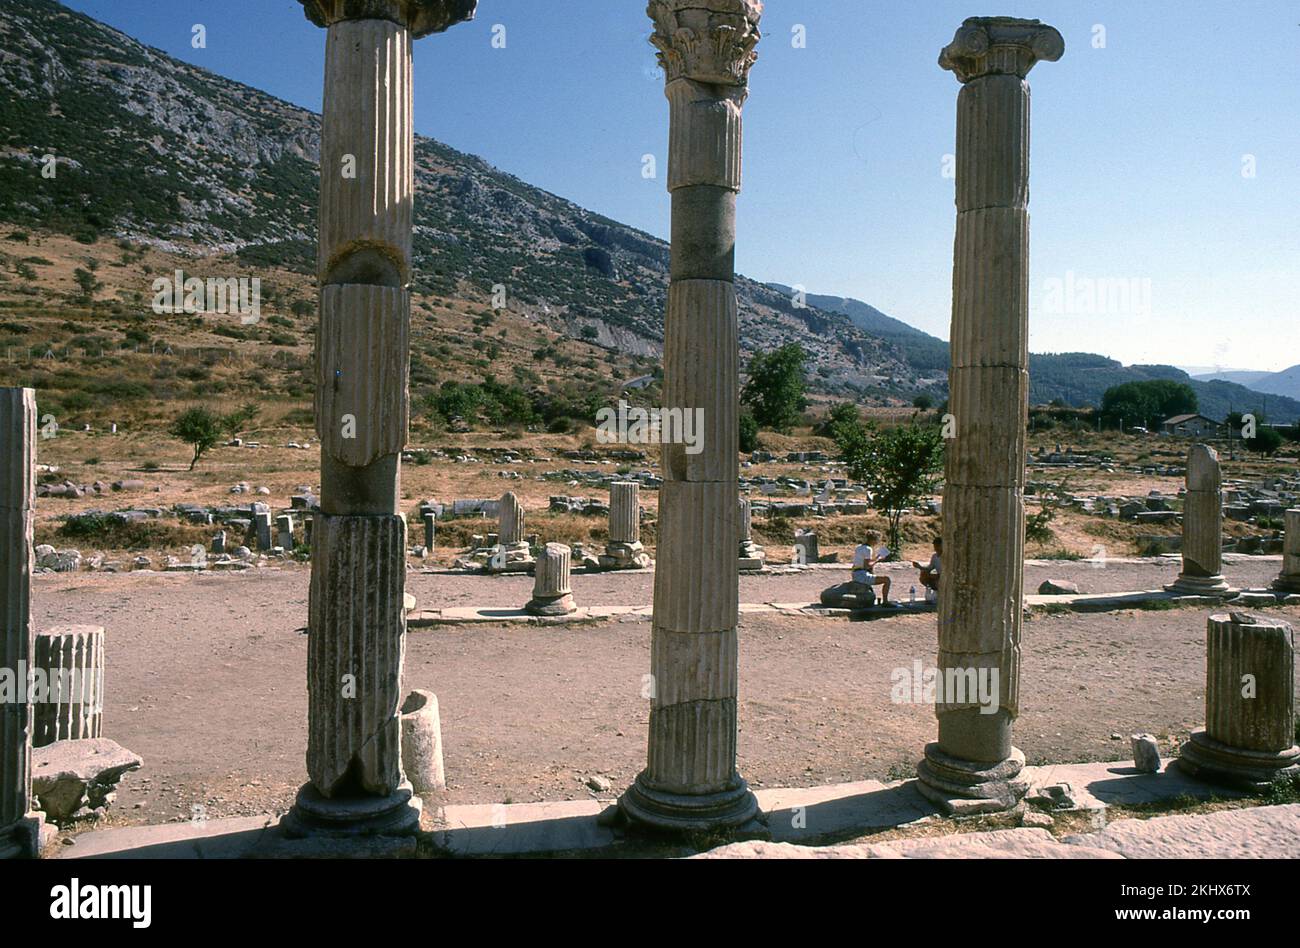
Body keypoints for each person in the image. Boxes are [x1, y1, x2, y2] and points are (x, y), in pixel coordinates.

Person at [852, 530, 892, 605]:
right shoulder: (868, 549)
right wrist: (878, 559)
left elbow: (865, 561)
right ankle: (885, 602)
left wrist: (876, 557)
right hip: (862, 574)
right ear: (873, 540)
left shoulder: (859, 547)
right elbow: (867, 565)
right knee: (887, 580)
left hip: (856, 573)